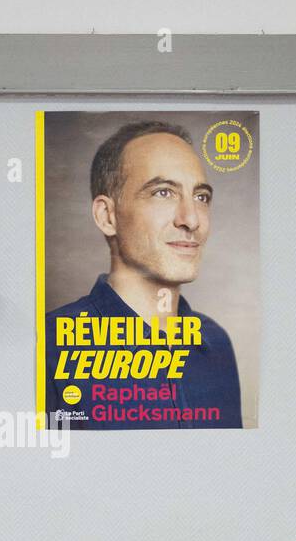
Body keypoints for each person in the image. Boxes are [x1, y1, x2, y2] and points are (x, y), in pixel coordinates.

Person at [46, 120, 242, 428]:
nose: (191, 219)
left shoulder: (216, 344)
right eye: (163, 192)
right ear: (107, 216)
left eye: (201, 197)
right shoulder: (51, 347)